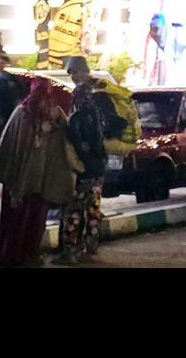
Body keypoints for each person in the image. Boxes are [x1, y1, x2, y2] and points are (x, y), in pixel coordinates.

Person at [0, 77, 77, 266]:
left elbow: (65, 136)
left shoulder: (49, 116)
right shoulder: (23, 115)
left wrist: (57, 120)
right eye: (42, 96)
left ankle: (29, 255)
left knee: (34, 222)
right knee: (16, 221)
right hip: (18, 182)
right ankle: (13, 256)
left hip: (38, 183)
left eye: (47, 97)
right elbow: (16, 151)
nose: (45, 101)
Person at [55, 56, 116, 265]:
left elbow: (76, 129)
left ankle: (70, 251)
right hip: (100, 163)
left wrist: (65, 125)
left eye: (73, 72)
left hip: (84, 165)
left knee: (73, 209)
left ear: (81, 71)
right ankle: (91, 247)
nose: (71, 77)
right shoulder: (100, 92)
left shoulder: (82, 95)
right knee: (93, 208)